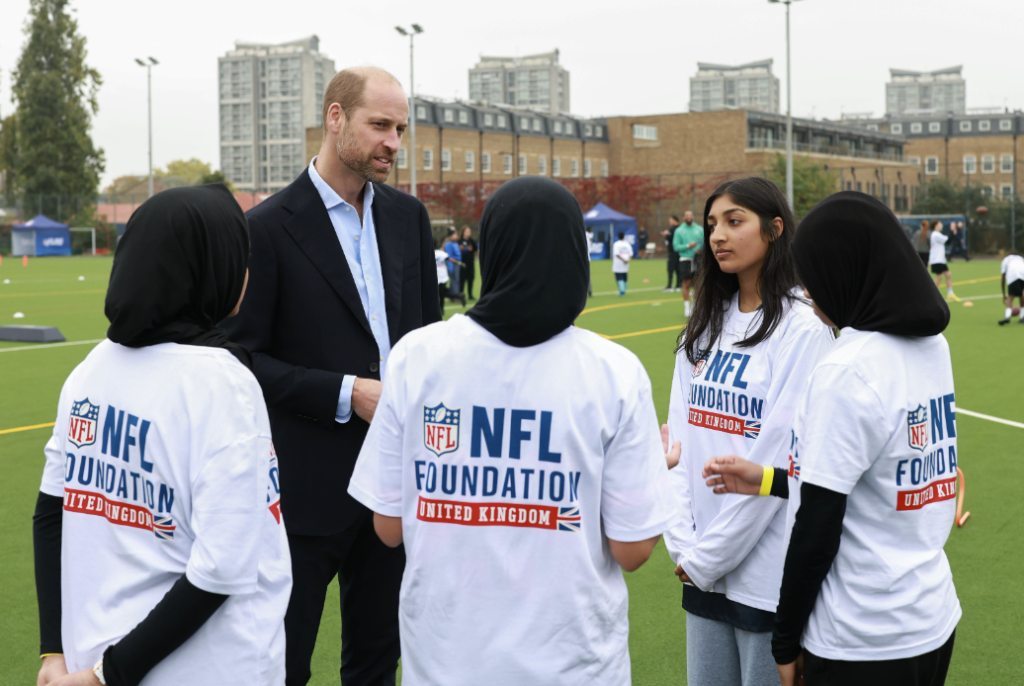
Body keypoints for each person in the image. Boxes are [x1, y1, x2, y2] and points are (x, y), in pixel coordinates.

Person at [346, 176, 680, 685]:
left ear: (493, 248)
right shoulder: (613, 370)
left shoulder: (418, 355)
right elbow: (631, 552)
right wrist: (652, 469)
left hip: (443, 663)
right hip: (573, 664)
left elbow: (387, 528)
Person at [222, 66, 442, 686]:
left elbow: (428, 340)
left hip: (395, 486)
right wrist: (346, 393)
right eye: (381, 125)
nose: (393, 144)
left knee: (377, 662)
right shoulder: (264, 227)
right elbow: (240, 361)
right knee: (284, 662)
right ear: (335, 118)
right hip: (304, 491)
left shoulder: (408, 218)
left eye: (400, 129)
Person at [34, 185, 291, 686]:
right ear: (207, 266)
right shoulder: (222, 384)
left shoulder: (90, 369)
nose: (244, 272)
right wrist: (106, 676)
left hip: (92, 653)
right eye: (239, 256)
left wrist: (55, 653)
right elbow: (221, 569)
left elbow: (51, 512)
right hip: (208, 668)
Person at [703, 192, 960, 686]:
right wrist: (768, 480)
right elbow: (872, 481)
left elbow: (818, 525)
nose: (806, 287)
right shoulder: (932, 346)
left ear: (845, 269)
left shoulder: (847, 368)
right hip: (931, 616)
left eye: (814, 271)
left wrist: (785, 639)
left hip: (860, 637)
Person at [663, 176, 834, 686]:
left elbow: (780, 463)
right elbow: (679, 442)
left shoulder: (804, 328)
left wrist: (708, 556)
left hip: (765, 575)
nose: (717, 235)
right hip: (698, 568)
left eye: (735, 222)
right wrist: (683, 545)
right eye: (713, 223)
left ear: (775, 229)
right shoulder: (705, 321)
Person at [672, 210, 703, 318]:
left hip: (698, 259)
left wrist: (700, 250)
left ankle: (695, 306)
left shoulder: (699, 229)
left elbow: (705, 243)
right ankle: (687, 308)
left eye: (691, 215)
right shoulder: (679, 231)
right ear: (683, 217)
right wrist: (689, 246)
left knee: (698, 284)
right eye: (687, 216)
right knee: (686, 283)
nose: (689, 217)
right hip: (685, 259)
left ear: (693, 216)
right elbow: (676, 246)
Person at [928, 220, 953, 298]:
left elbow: (948, 241)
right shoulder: (935, 235)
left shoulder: (938, 234)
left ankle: (950, 293)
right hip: (936, 260)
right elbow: (948, 241)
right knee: (939, 276)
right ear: (936, 226)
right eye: (940, 224)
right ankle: (933, 295)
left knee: (948, 274)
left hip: (941, 260)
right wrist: (952, 229)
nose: (942, 225)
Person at [999, 250, 1024, 325]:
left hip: (1013, 275)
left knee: (1010, 296)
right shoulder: (1021, 258)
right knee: (1021, 294)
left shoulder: (1006, 259)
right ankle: (1022, 316)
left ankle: (1007, 316)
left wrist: (1004, 294)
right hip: (1023, 274)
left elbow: (1003, 278)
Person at [444, 230, 465, 304]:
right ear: (450, 235)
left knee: (456, 280)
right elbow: (449, 256)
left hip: (457, 264)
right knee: (454, 281)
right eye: (454, 234)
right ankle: (455, 297)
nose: (456, 236)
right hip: (453, 264)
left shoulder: (455, 243)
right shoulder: (448, 244)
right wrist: (458, 263)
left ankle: (453, 296)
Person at [458, 226, 478, 301]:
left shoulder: (471, 241)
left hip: (471, 264)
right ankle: (461, 295)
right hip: (463, 264)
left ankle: (470, 295)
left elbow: (475, 249)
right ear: (463, 232)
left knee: (471, 279)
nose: (468, 233)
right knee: (462, 280)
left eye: (469, 231)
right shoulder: (459, 241)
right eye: (467, 231)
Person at [435, 239, 454, 315]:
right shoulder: (440, 253)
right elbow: (449, 259)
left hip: (441, 277)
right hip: (442, 276)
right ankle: (458, 296)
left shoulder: (439, 253)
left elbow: (447, 258)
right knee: (441, 294)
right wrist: (459, 263)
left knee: (440, 293)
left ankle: (441, 310)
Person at [612, 231, 633, 296]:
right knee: (624, 276)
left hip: (618, 263)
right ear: (624, 237)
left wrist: (623, 260)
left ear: (618, 237)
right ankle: (623, 290)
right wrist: (627, 260)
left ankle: (622, 291)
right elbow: (631, 254)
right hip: (626, 263)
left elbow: (617, 254)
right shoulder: (627, 244)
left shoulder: (616, 244)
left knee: (619, 277)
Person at [663, 216, 681, 291]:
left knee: (670, 268)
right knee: (678, 268)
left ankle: (670, 286)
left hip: (673, 252)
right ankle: (678, 285)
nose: (669, 222)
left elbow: (669, 238)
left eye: (670, 220)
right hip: (679, 252)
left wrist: (665, 234)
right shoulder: (680, 228)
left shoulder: (673, 229)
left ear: (674, 220)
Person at [585, 226, 595, 297]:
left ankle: (588, 291)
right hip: (586, 258)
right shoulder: (586, 236)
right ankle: (589, 291)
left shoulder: (585, 236)